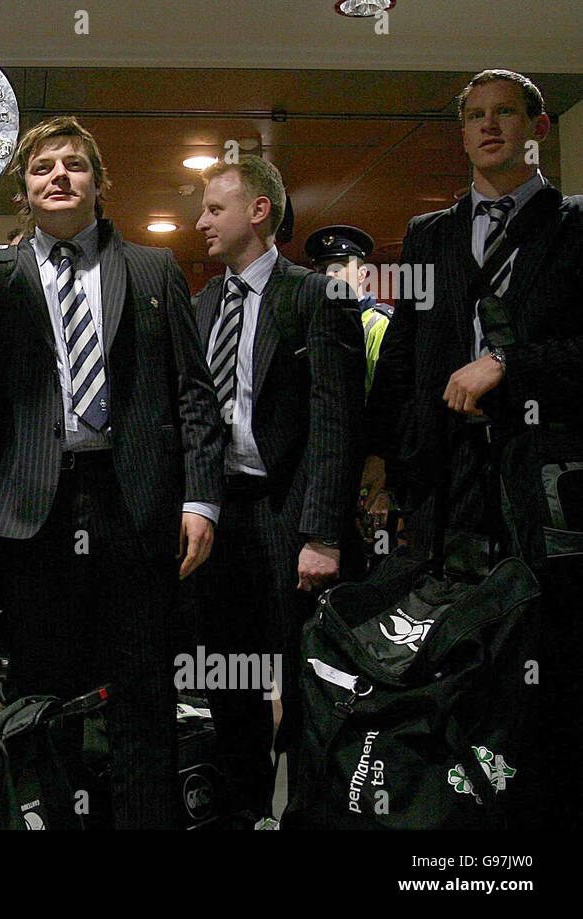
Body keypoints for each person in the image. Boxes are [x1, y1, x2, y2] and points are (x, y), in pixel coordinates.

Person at [0, 116, 226, 829]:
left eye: (75, 165)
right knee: (40, 703)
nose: (60, 176)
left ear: (99, 182)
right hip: (32, 510)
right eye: (44, 167)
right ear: (23, 189)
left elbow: (193, 393)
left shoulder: (152, 268)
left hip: (133, 505)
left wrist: (202, 498)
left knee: (143, 697)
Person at [368, 69, 583, 828]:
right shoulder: (429, 234)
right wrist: (381, 464)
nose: (489, 127)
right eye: (475, 117)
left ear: (538, 128)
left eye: (505, 114)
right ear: (462, 133)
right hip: (442, 489)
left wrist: (508, 365)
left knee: (543, 670)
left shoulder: (576, 226)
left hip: (543, 489)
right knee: (452, 669)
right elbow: (402, 361)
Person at [193, 155, 364, 826]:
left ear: (257, 211)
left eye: (214, 208)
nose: (200, 221)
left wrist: (322, 533)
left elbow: (337, 423)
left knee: (301, 681)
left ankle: (309, 815)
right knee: (227, 677)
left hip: (291, 515)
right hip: (221, 516)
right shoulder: (203, 300)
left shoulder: (315, 295)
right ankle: (242, 811)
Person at [306, 224, 395, 541]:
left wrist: (385, 475)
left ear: (362, 275)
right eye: (322, 270)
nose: (331, 277)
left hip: (365, 463)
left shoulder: (377, 325)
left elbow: (391, 405)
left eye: (342, 268)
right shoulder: (311, 326)